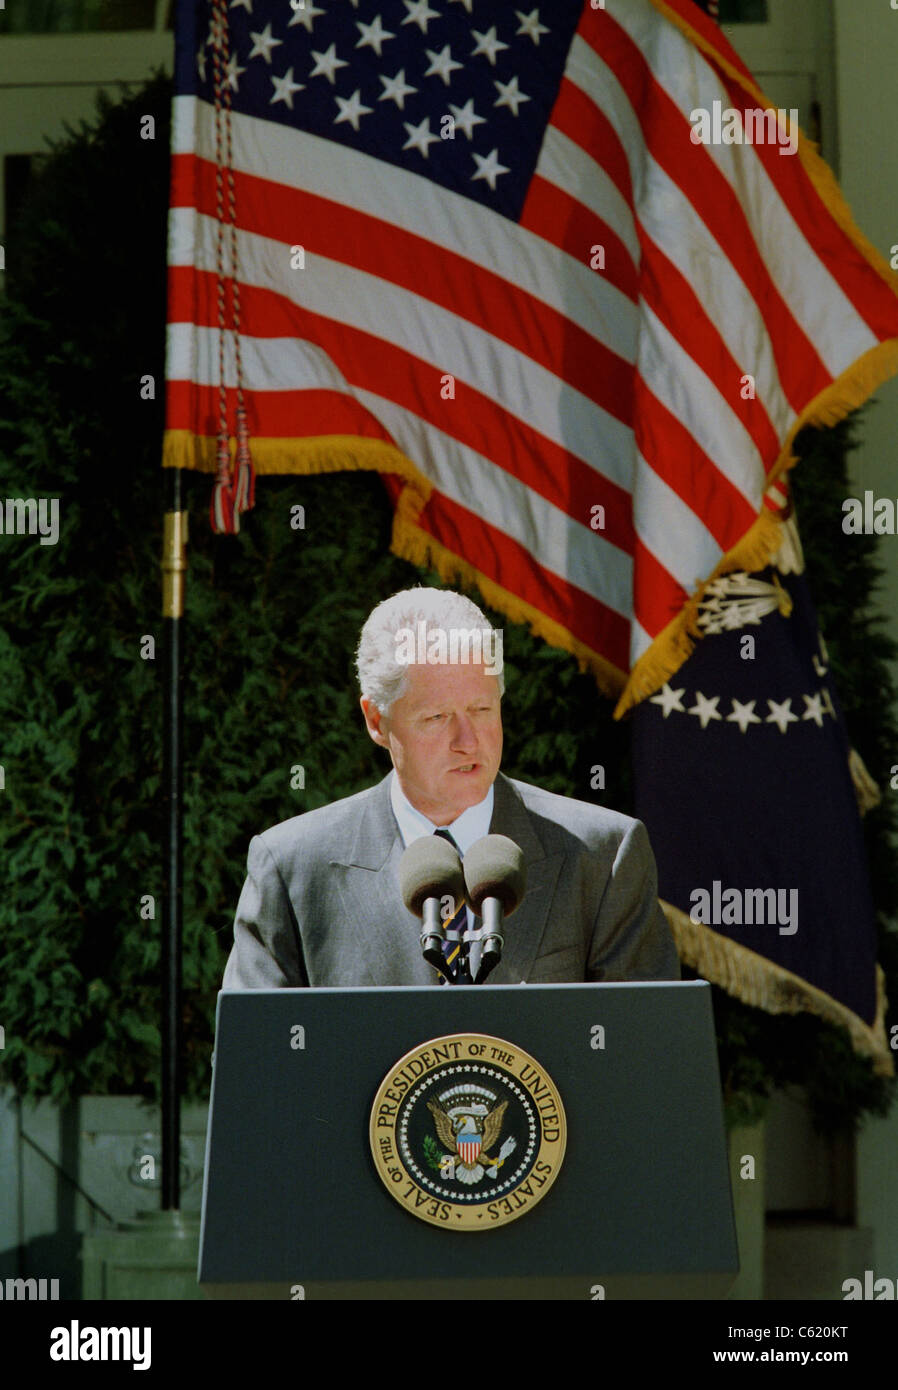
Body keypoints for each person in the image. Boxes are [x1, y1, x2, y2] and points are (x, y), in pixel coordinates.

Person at [222, 587, 679, 988]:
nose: (467, 741)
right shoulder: (292, 870)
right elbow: (259, 1068)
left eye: (481, 709)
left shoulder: (602, 856)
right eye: (437, 718)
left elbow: (643, 1060)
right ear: (376, 721)